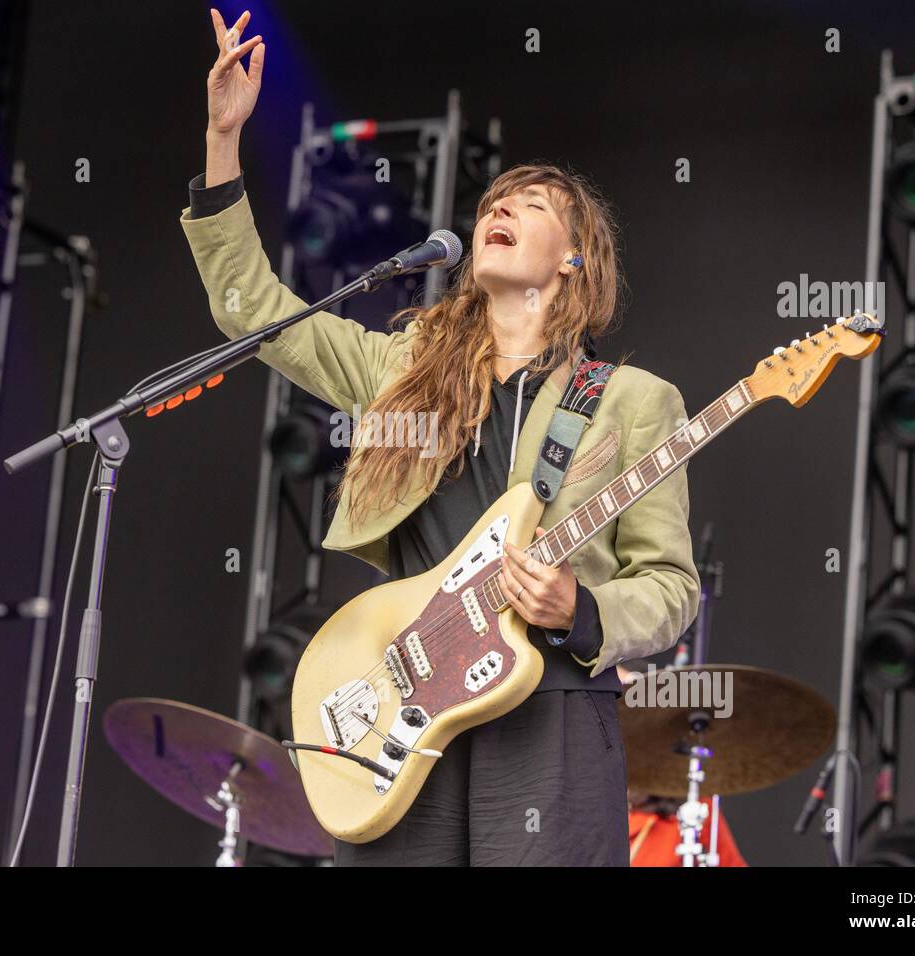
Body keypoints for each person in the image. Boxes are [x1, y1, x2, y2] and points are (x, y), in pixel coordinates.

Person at [181, 9, 700, 865]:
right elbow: (254, 312)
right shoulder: (404, 370)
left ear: (574, 260)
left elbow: (671, 585)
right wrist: (223, 139)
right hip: (409, 695)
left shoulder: (632, 401)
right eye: (495, 202)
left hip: (552, 708)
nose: (500, 210)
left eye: (530, 206)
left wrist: (585, 608)